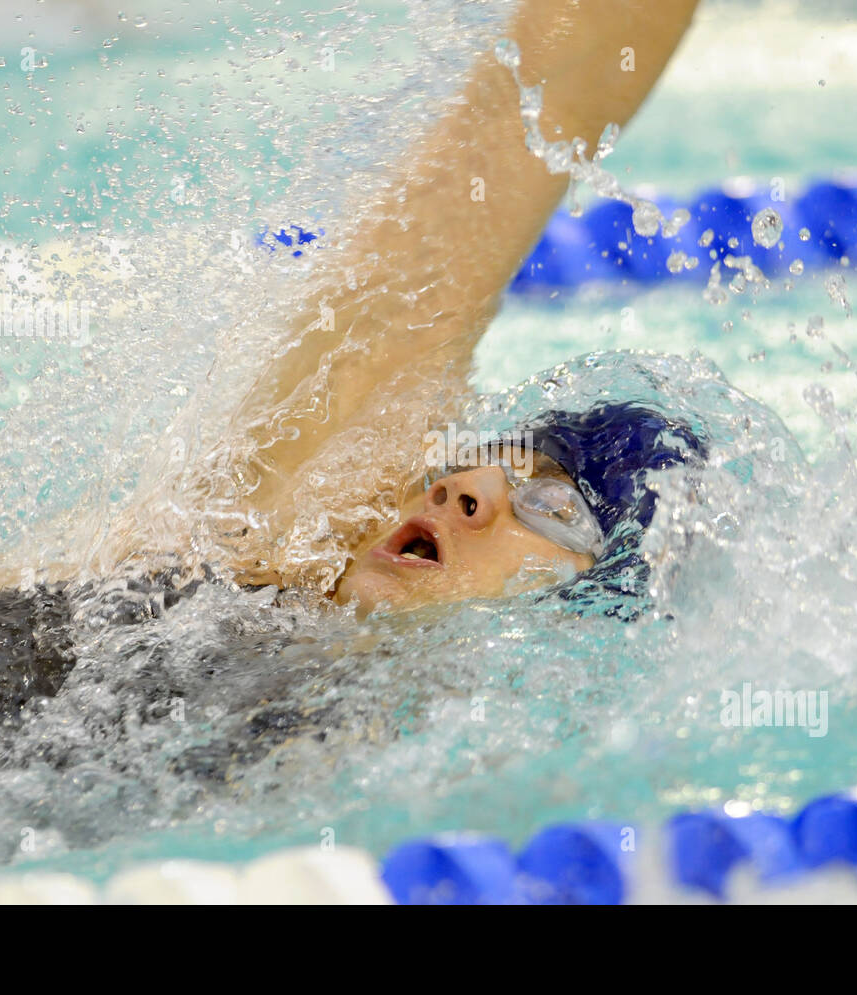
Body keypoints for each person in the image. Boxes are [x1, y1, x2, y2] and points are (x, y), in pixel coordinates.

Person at [92, 0, 708, 617]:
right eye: (470, 463)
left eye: (551, 510)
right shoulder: (238, 553)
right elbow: (544, 108)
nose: (461, 487)